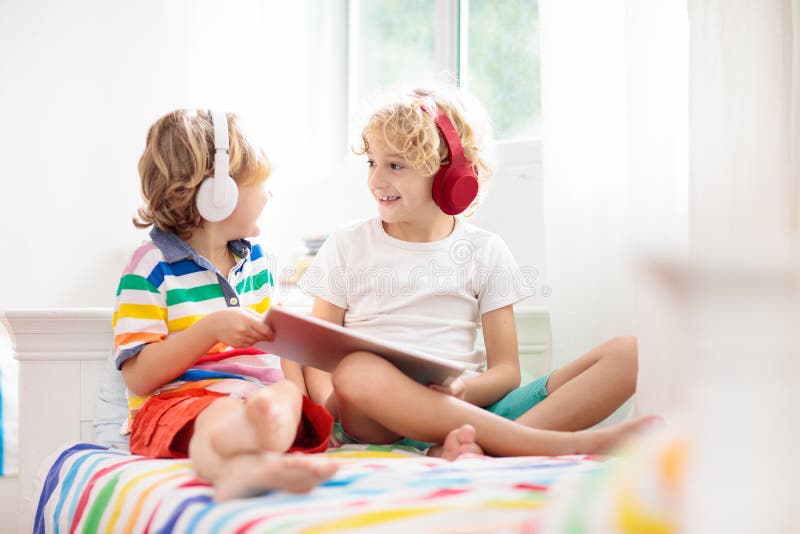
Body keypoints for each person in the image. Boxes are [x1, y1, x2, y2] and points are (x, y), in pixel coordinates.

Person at [301, 86, 658, 459]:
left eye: (396, 165)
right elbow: (313, 351)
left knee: (631, 353)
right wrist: (331, 404)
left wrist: (462, 392)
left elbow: (506, 371)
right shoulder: (347, 243)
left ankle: (475, 448)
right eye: (372, 163)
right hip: (378, 419)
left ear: (448, 175)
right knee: (355, 372)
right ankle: (542, 445)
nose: (376, 181)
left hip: (470, 410)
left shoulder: (485, 250)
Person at [114, 109, 337, 500]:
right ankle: (234, 470)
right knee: (217, 415)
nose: (271, 195)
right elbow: (138, 377)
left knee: (285, 398)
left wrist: (299, 402)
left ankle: (267, 452)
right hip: (177, 404)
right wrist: (210, 329)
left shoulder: (259, 261)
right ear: (221, 194)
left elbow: (283, 352)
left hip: (255, 397)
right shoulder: (150, 267)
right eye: (263, 185)